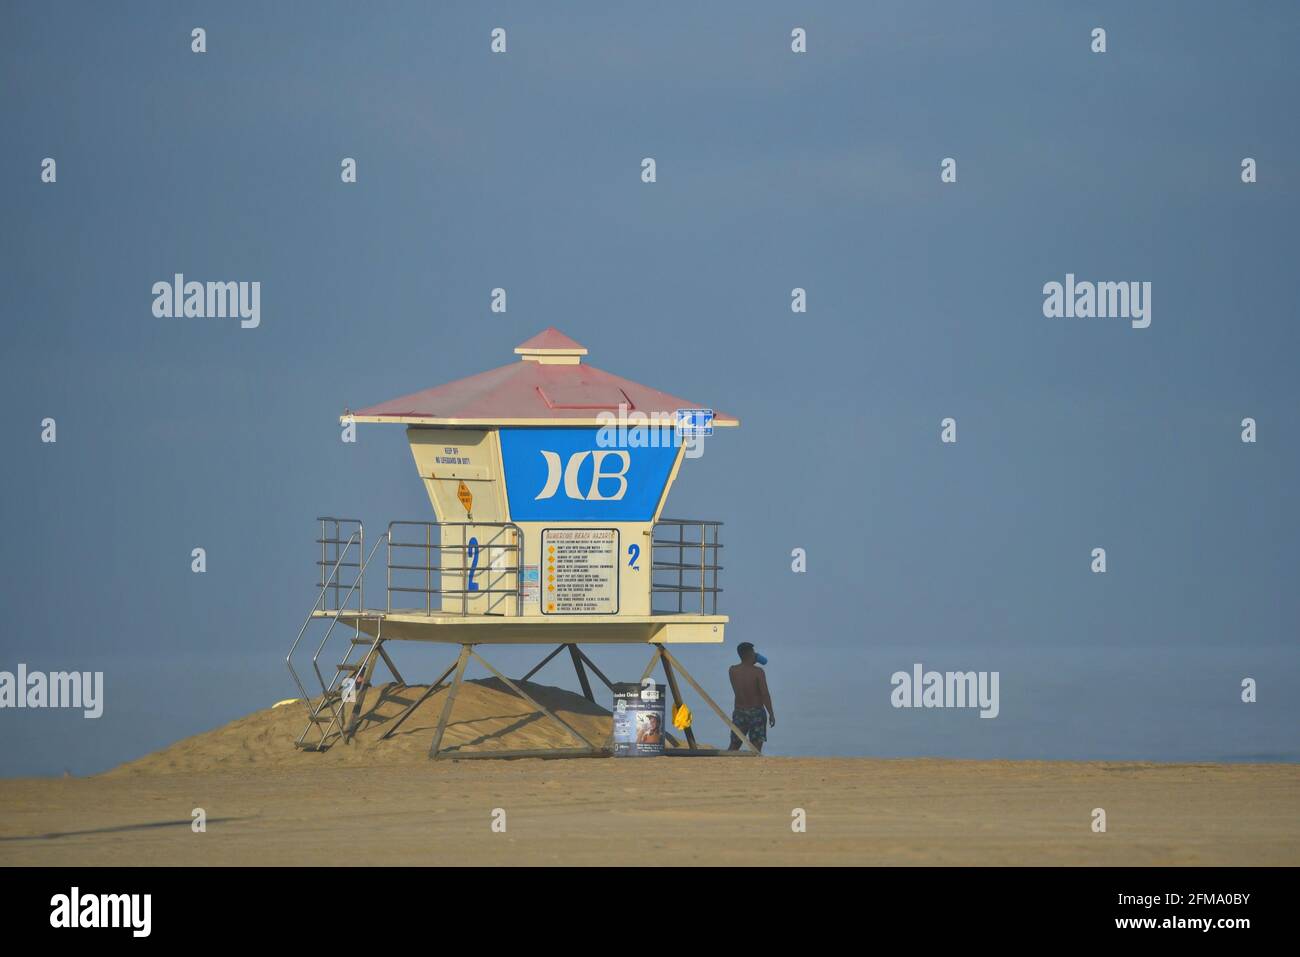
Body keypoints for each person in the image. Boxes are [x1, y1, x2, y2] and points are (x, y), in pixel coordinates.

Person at [727, 642, 774, 752]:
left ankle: (728, 764)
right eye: (753, 652)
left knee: (734, 745)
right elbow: (765, 694)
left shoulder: (732, 670)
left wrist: (750, 660)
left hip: (739, 712)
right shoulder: (758, 672)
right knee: (756, 748)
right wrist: (771, 713)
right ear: (750, 654)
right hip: (756, 712)